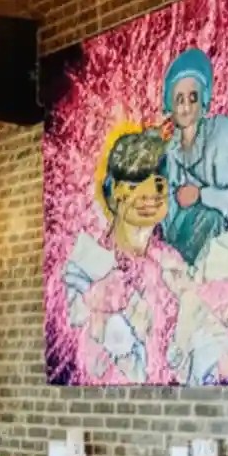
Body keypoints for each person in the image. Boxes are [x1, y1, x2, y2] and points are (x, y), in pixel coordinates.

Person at [63, 129, 174, 384]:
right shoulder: (87, 265)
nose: (149, 197)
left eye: (158, 184)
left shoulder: (172, 264)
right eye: (135, 186)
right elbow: (90, 361)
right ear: (114, 190)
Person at [161, 48, 228, 267]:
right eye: (179, 99)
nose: (185, 107)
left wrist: (201, 195)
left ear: (203, 101)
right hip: (181, 253)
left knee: (210, 219)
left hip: (223, 245)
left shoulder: (222, 132)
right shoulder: (169, 153)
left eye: (192, 98)